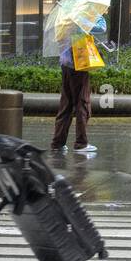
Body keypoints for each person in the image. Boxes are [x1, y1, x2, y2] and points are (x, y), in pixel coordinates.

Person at [51, 14, 104, 155]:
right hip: (78, 63)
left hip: (65, 64)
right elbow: (101, 28)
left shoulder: (64, 19)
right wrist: (95, 18)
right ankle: (81, 143)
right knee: (82, 102)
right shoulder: (82, 18)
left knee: (66, 104)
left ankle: (58, 142)